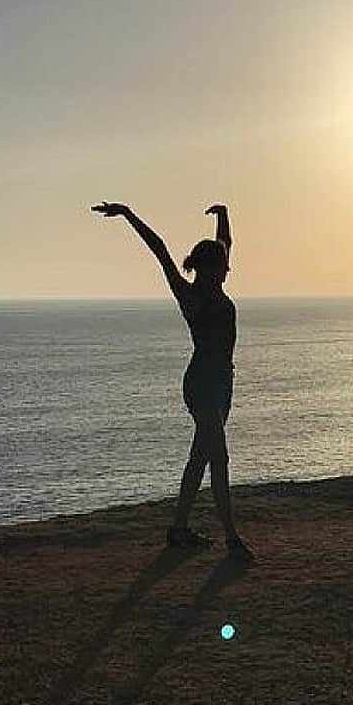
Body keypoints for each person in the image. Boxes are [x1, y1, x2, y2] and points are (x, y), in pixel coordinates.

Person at [91, 201, 255, 562]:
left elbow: (225, 243)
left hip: (223, 384)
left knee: (200, 457)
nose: (228, 269)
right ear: (208, 269)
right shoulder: (189, 295)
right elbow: (160, 250)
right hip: (202, 385)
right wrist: (129, 215)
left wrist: (224, 214)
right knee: (219, 457)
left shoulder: (216, 278)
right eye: (223, 266)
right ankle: (232, 538)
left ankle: (178, 530)